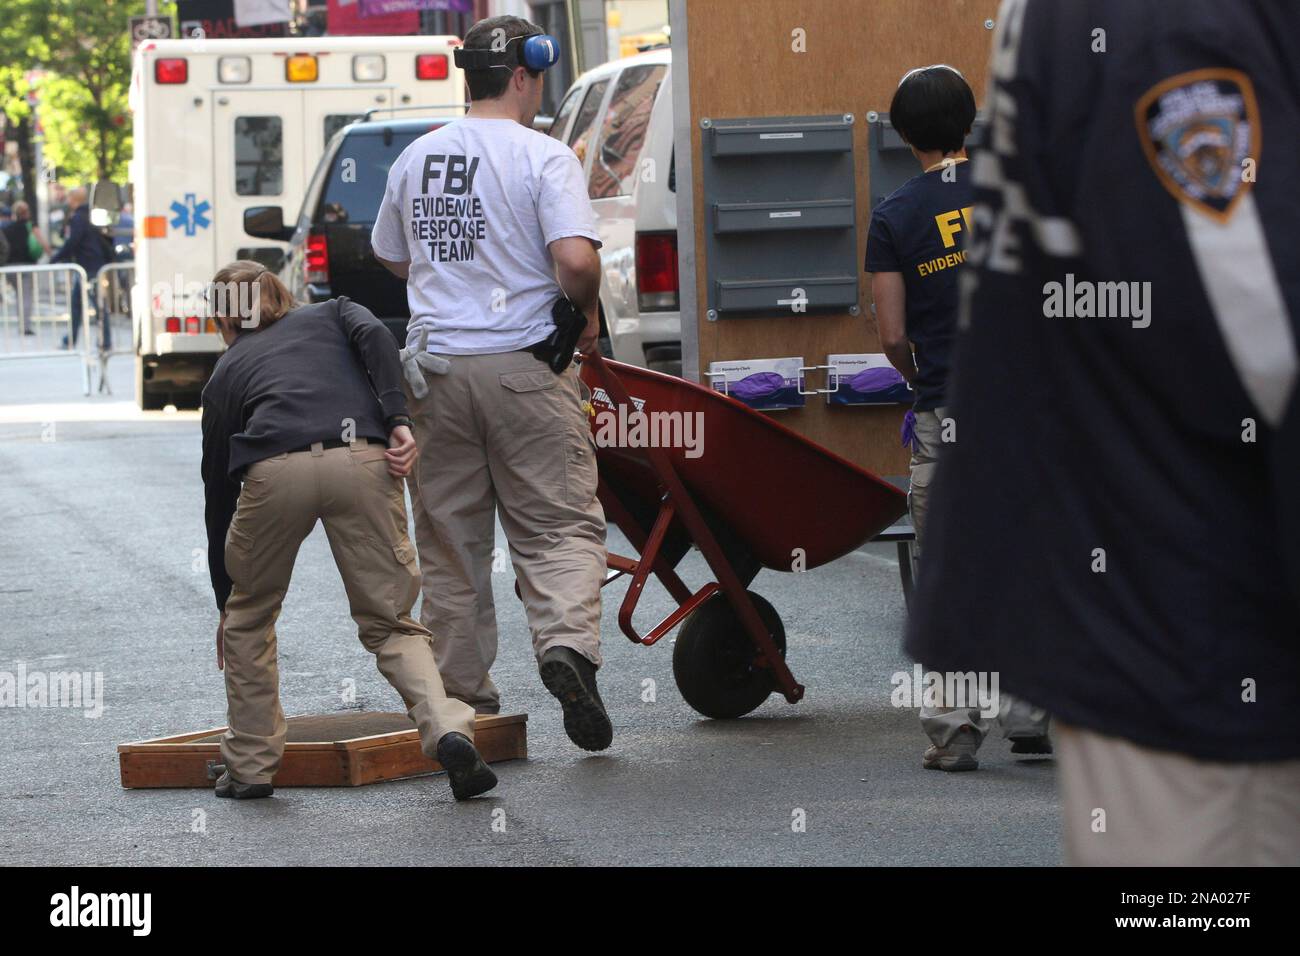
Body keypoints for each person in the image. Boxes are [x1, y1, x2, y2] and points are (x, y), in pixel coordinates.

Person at [909, 0, 1300, 863]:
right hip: (1205, 628)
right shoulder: (1176, 23)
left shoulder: (909, 205)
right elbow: (1261, 326)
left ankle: (966, 721)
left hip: (1119, 576)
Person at [371, 15, 612, 751]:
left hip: (435, 375)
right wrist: (586, 305)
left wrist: (457, 278)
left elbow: (391, 255)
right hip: (526, 369)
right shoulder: (544, 156)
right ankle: (564, 645)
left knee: (451, 542)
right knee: (558, 525)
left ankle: (464, 705)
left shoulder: (417, 157)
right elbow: (573, 259)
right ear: (524, 74)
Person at [200, 261, 497, 802]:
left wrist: (228, 602)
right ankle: (448, 728)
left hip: (273, 470)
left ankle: (251, 765)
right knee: (391, 623)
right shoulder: (336, 313)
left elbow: (217, 495)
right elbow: (380, 337)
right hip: (363, 458)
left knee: (251, 620)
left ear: (223, 316)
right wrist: (397, 418)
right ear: (279, 293)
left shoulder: (225, 373)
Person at [865, 64, 1051, 772]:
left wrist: (922, 382)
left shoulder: (897, 217)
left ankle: (953, 730)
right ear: (971, 122)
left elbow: (890, 335)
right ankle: (1031, 714)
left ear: (904, 134)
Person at [50, 186, 108, 349]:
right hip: (93, 264)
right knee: (90, 305)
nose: (67, 201)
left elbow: (73, 241)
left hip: (87, 266)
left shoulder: (78, 217)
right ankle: (74, 339)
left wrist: (55, 259)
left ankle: (100, 340)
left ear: (75, 200)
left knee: (90, 305)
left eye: (69, 198)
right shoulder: (90, 215)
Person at [3, 201, 51, 335]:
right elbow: (43, 243)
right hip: (26, 265)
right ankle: (25, 326)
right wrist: (53, 257)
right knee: (26, 296)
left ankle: (22, 323)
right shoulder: (30, 227)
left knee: (20, 295)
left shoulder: (6, 229)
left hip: (9, 267)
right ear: (27, 212)